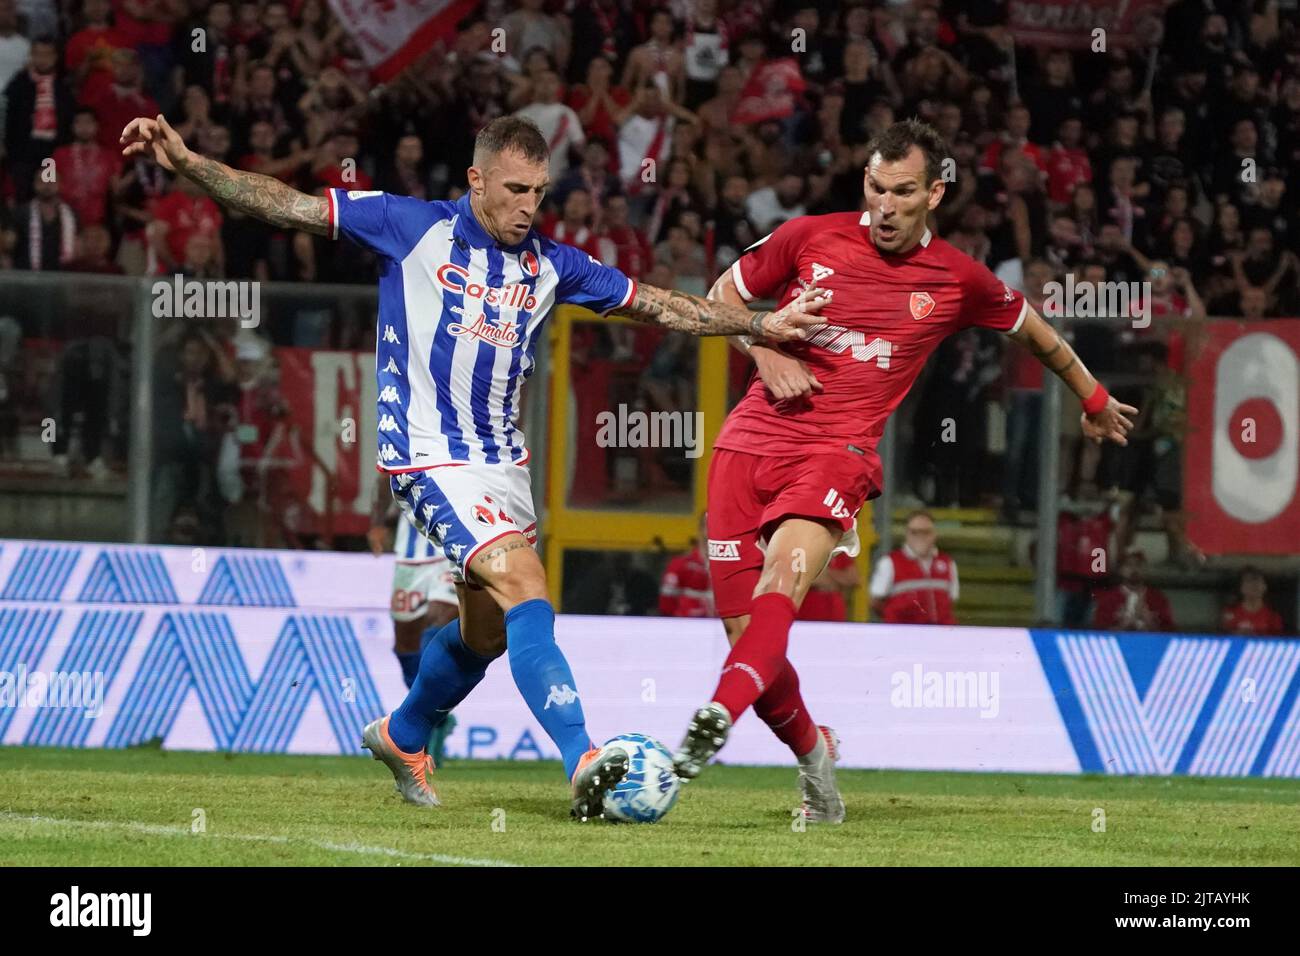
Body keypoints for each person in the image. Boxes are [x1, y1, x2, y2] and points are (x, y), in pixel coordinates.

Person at [119, 111, 824, 819]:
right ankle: (583, 760)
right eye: (515, 189)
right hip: (426, 455)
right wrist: (189, 163)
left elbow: (663, 307)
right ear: (476, 180)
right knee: (525, 585)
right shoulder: (409, 225)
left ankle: (403, 732)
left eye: (540, 193)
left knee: (486, 634)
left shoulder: (553, 265)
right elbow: (284, 203)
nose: (528, 207)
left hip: (502, 468)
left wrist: (759, 325)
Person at [674, 120, 1137, 823]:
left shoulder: (956, 279)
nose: (885, 206)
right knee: (751, 648)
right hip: (748, 445)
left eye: (904, 192)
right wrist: (765, 350)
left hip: (840, 453)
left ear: (935, 193)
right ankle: (814, 756)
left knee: (784, 580)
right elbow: (721, 299)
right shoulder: (808, 238)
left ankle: (706, 727)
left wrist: (1095, 398)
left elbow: (1036, 333)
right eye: (876, 188)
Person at [369, 473, 460, 761]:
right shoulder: (403, 430)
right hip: (411, 549)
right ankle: (435, 713)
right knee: (406, 645)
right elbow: (383, 473)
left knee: (439, 622)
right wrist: (379, 523)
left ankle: (425, 719)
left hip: (455, 539)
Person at [868, 511, 957, 625]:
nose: (920, 536)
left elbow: (950, 600)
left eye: (926, 532)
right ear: (907, 534)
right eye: (914, 532)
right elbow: (875, 602)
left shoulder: (947, 562)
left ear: (934, 534)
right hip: (904, 633)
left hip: (940, 634)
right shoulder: (890, 562)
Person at [1092, 548, 1175, 632]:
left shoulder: (1158, 598)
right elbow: (1098, 634)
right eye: (1128, 565)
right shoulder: (1108, 599)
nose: (1134, 569)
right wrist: (1123, 625)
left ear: (1145, 569)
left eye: (1138, 564)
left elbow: (1170, 633)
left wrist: (1149, 622)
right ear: (1120, 570)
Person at [659, 513, 713, 617]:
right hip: (688, 626)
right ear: (701, 530)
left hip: (723, 628)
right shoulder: (680, 565)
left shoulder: (733, 566)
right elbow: (666, 604)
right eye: (710, 526)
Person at [1221, 567, 1284, 637]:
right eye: (1249, 581)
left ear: (1265, 587)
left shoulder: (1273, 616)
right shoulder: (1230, 612)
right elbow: (1223, 638)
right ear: (1241, 587)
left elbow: (1278, 641)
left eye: (1258, 581)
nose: (1254, 585)